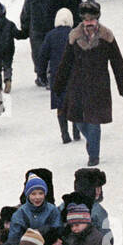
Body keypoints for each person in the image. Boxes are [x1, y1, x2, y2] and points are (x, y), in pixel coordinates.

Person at [52, 1, 123, 167]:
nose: (89, 22)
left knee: (94, 121)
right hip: (78, 85)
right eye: (85, 19)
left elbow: (117, 61)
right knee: (79, 120)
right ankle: (92, 142)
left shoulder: (106, 36)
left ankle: (93, 155)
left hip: (99, 85)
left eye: (92, 19)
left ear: (97, 19)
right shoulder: (74, 36)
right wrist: (58, 84)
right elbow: (66, 62)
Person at [39, 9, 76, 144]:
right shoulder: (74, 34)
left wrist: (41, 74)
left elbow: (43, 56)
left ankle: (64, 133)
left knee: (61, 105)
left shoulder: (50, 36)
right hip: (73, 73)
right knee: (74, 102)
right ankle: (76, 130)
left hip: (56, 74)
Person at [6, 175, 62, 245]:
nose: (37, 197)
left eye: (41, 193)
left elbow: (58, 230)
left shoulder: (52, 210)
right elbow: (14, 239)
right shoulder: (20, 213)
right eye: (33, 194)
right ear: (28, 195)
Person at [20, 0, 54, 84]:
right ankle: (51, 72)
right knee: (51, 51)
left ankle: (41, 75)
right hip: (51, 28)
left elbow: (25, 14)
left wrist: (25, 29)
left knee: (38, 52)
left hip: (36, 30)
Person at [0, 4, 24, 94]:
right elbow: (18, 35)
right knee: (7, 66)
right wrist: (26, 32)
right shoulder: (10, 24)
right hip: (8, 49)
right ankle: (7, 80)